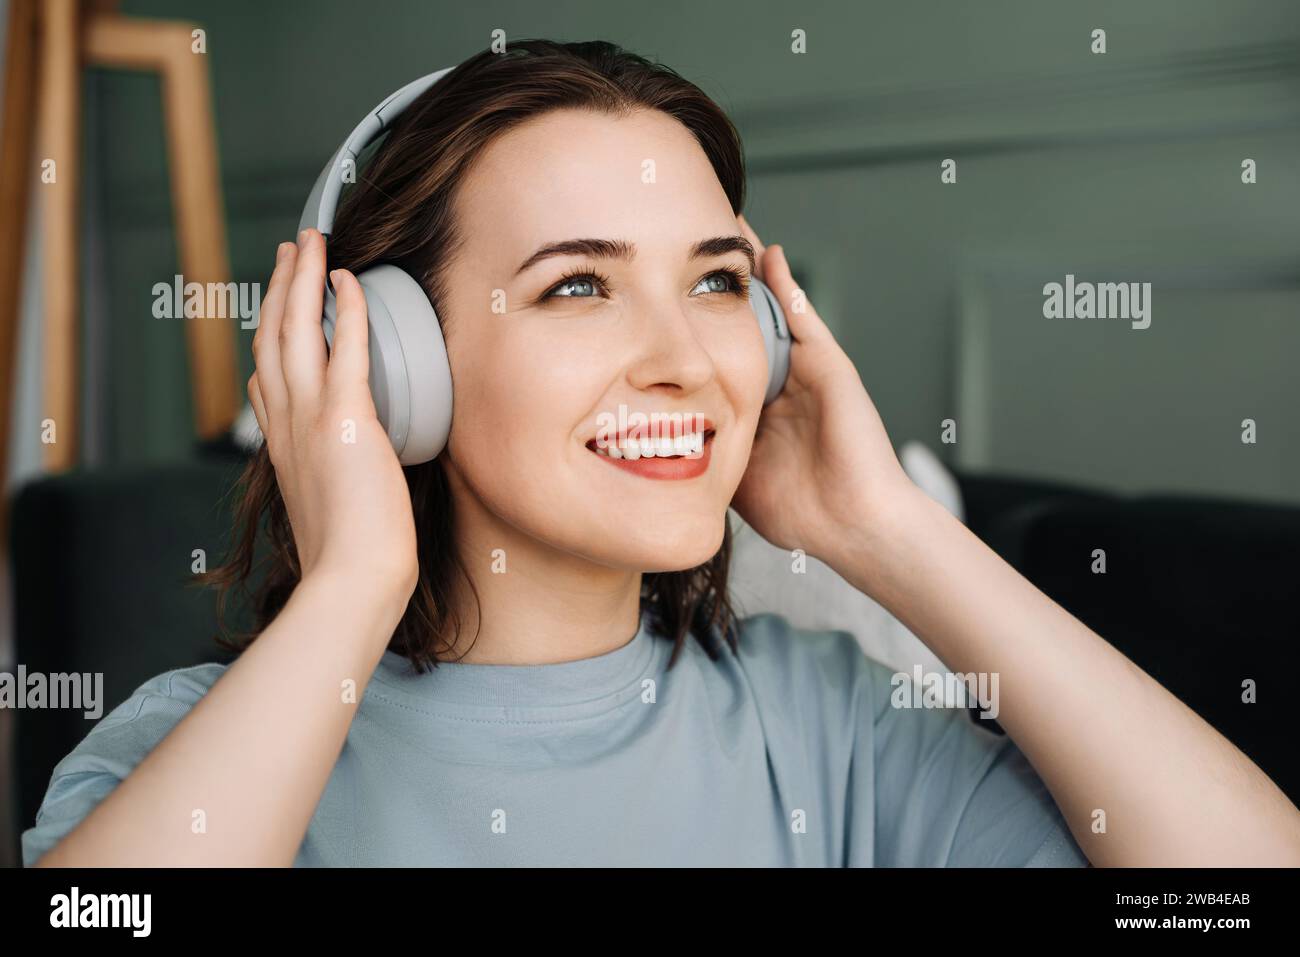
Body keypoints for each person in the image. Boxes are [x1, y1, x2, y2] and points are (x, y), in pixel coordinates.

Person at [23, 39, 1300, 867]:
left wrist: (890, 534)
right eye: (578, 287)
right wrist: (353, 586)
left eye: (713, 281)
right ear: (391, 360)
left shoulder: (833, 723)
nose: (685, 359)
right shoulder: (192, 748)